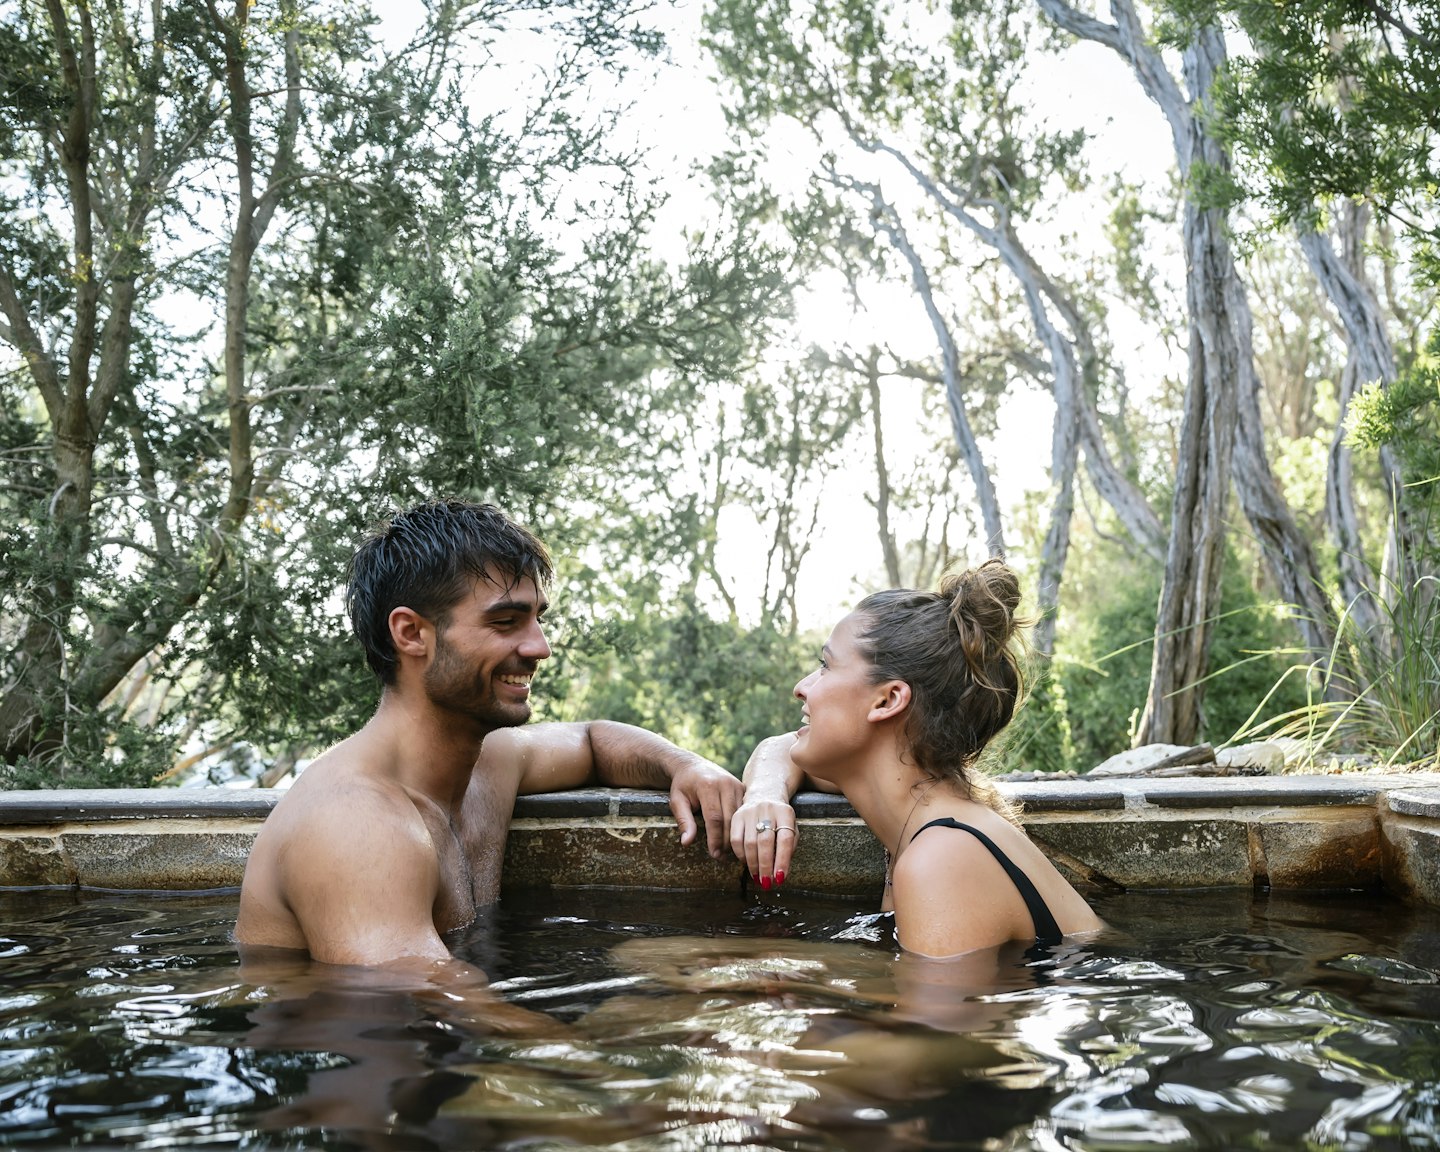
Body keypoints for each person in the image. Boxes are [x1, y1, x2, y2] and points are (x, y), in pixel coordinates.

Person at [236, 498, 744, 971]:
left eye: (537, 620)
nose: (540, 648)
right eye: (505, 622)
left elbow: (592, 740)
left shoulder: (490, 762)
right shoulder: (353, 821)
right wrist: (603, 1050)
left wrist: (686, 765)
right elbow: (411, 1002)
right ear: (411, 634)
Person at [730, 559, 1102, 958]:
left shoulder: (942, 859)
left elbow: (927, 1023)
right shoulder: (931, 811)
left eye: (825, 666)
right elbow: (783, 748)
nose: (801, 688)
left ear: (888, 700)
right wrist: (764, 795)